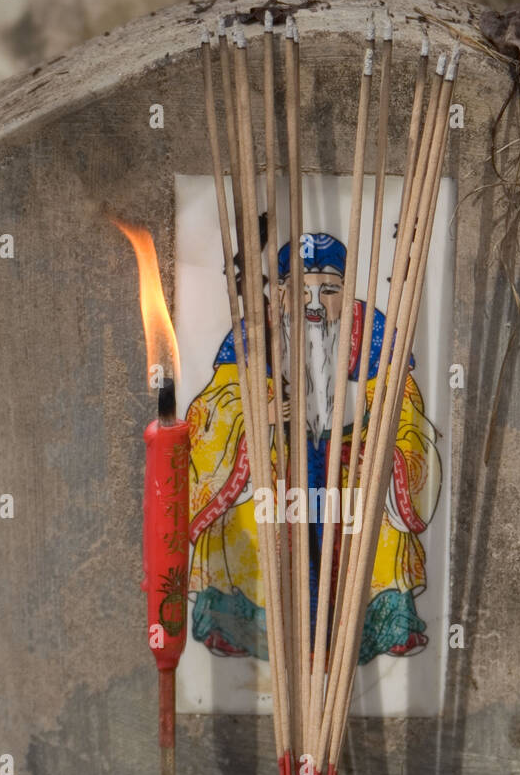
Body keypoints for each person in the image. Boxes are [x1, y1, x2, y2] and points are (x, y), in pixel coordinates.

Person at [187, 231, 441, 663]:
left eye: (329, 290)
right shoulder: (257, 333)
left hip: (348, 466)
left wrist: (369, 437)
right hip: (273, 467)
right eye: (301, 290)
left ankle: (372, 626)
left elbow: (405, 410)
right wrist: (261, 416)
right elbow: (214, 409)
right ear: (281, 291)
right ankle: (245, 626)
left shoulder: (372, 333)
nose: (314, 304)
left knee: (376, 515)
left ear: (348, 291)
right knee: (237, 522)